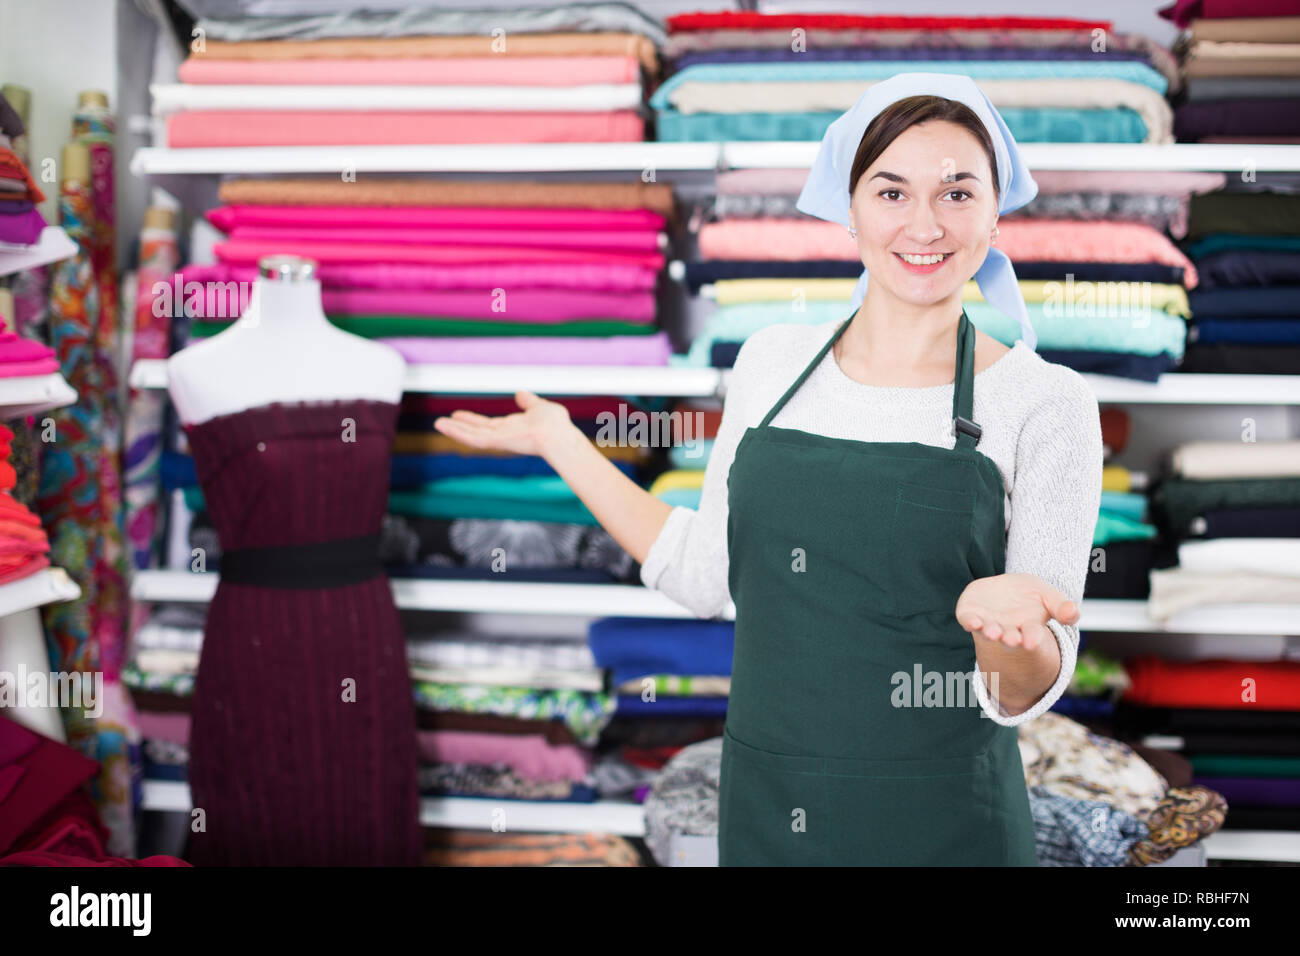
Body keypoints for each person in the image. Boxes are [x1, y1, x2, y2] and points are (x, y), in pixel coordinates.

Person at [433, 72, 1103, 866]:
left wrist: (1009, 633)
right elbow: (705, 574)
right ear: (849, 208)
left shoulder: (1046, 400)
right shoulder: (772, 363)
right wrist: (562, 443)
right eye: (891, 192)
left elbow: (1028, 686)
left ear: (997, 211)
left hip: (947, 820)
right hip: (770, 809)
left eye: (958, 194)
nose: (924, 224)